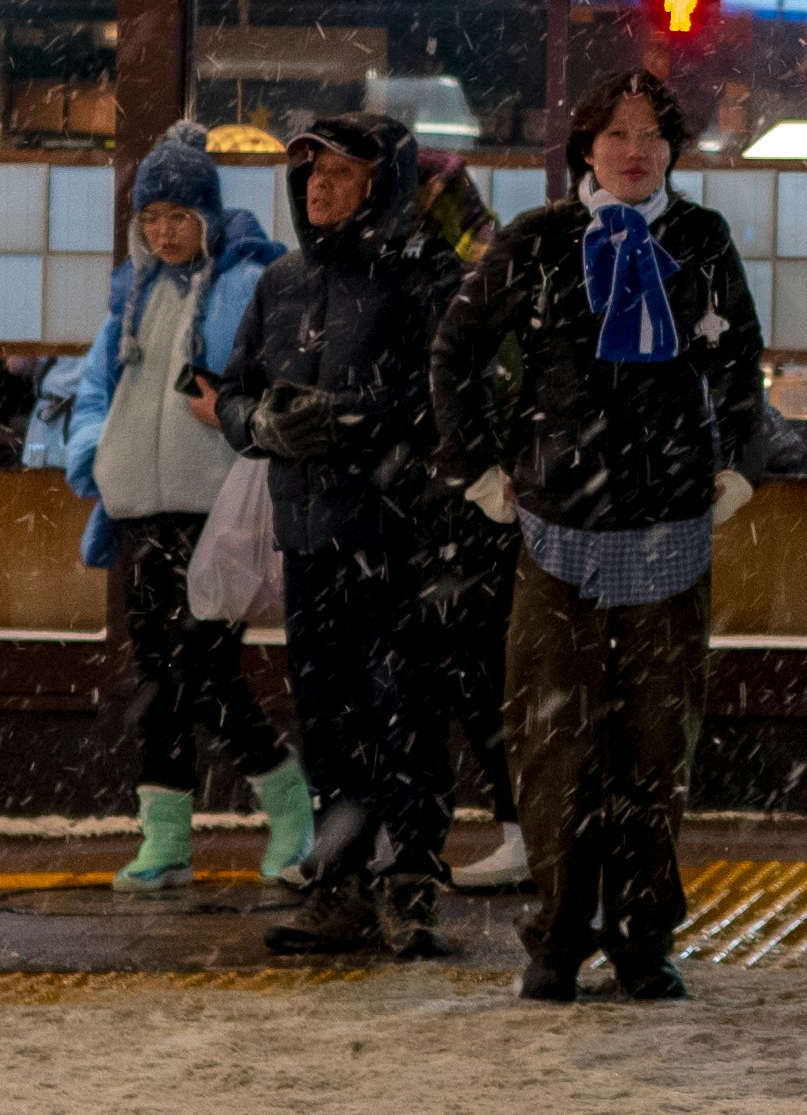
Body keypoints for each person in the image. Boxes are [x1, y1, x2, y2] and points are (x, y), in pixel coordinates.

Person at [444, 66, 770, 1002]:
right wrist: (477, 470)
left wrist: (742, 466)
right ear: (586, 147)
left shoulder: (699, 240)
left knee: (654, 750)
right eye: (618, 134)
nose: (636, 151)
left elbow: (741, 359)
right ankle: (554, 937)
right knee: (554, 750)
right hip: (557, 536)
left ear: (673, 149)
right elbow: (454, 349)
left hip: (671, 532)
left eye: (653, 136)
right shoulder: (542, 240)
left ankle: (642, 939)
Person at [234, 104, 482, 964]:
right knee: (328, 716)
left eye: (338, 171)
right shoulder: (281, 283)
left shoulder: (424, 273)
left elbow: (445, 400)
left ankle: (409, 887)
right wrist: (264, 422)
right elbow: (232, 395)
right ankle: (338, 889)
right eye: (309, 174)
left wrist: (341, 420)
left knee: (406, 717)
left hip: (399, 535)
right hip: (307, 536)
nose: (319, 187)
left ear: (383, 182)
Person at [42, 128, 309, 903]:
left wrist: (229, 407)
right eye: (151, 215)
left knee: (204, 670)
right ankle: (164, 839)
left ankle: (289, 801)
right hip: (137, 509)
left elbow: (266, 380)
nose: (163, 230)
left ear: (209, 215)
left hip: (212, 507)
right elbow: (93, 388)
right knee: (158, 679)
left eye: (179, 214)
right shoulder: (134, 292)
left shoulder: (251, 281)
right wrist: (95, 450)